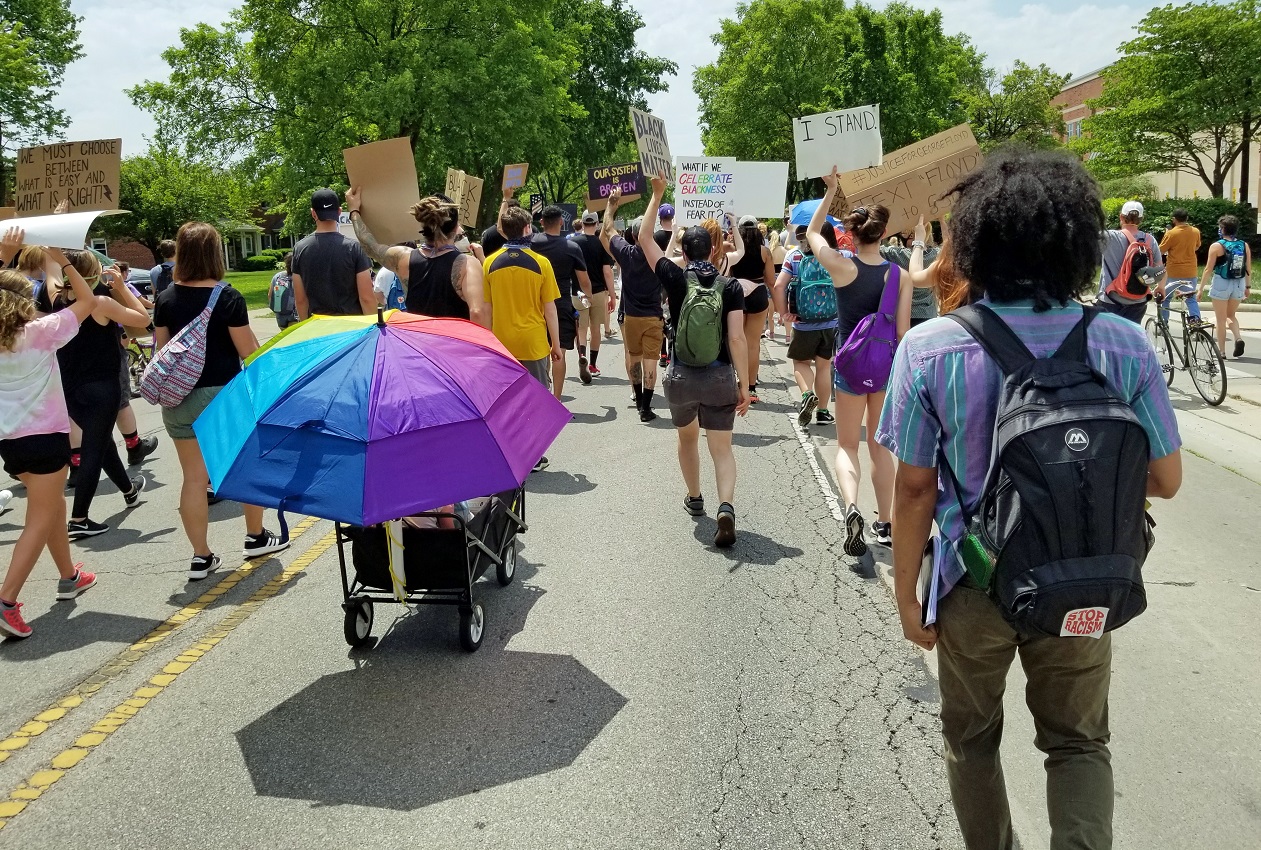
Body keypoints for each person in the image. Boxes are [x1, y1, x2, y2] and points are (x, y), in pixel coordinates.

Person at [876, 147, 1183, 850]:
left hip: (971, 583)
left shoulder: (929, 348)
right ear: (1077, 243)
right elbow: (1164, 480)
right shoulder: (1120, 342)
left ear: (974, 243)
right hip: (1084, 576)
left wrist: (907, 601)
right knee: (1077, 743)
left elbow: (914, 488)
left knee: (972, 739)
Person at [153, 223, 289, 580]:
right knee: (244, 467)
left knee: (194, 479)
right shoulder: (227, 297)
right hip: (224, 396)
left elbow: (161, 351)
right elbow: (249, 353)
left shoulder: (165, 298)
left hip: (179, 398)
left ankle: (201, 557)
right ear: (215, 253)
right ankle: (256, 536)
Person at [0, 231, 105, 639]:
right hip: (45, 437)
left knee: (52, 508)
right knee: (40, 518)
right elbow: (89, 301)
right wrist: (61, 258)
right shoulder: (41, 332)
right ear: (25, 302)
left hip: (10, 441)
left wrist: (6, 257)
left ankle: (69, 575)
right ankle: (6, 599)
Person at [638, 172, 750, 548]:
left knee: (687, 440)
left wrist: (657, 196)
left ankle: (695, 498)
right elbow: (736, 337)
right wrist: (745, 386)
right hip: (720, 376)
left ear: (684, 252)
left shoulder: (673, 276)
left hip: (682, 375)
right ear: (715, 252)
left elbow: (642, 239)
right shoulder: (730, 286)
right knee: (722, 448)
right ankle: (726, 506)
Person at [807, 169, 913, 556]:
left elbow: (812, 235)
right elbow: (902, 333)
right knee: (879, 448)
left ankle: (851, 506)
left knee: (847, 445)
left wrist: (831, 191)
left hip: (849, 366)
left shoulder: (841, 266)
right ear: (883, 234)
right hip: (883, 368)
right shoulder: (899, 275)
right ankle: (884, 523)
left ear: (852, 234)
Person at [41, 250, 151, 539]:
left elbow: (52, 272)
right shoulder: (100, 303)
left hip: (69, 387)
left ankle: (129, 490)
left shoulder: (58, 301)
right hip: (101, 387)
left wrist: (54, 250)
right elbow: (142, 320)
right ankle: (79, 518)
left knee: (102, 444)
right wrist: (121, 287)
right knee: (94, 448)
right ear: (92, 275)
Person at [482, 205, 562, 469]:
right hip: (534, 342)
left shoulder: (489, 263)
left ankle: (510, 450)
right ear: (528, 228)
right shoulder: (541, 264)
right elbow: (549, 309)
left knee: (506, 401)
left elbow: (487, 308)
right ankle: (534, 454)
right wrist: (556, 345)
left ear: (503, 231)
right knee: (537, 399)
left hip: (501, 344)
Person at [345, 189, 487, 326]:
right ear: (456, 227)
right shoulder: (467, 264)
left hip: (418, 345)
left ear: (422, 225)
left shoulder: (403, 258)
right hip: (452, 346)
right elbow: (477, 312)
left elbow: (370, 246)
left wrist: (354, 211)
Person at [601, 188, 664, 422]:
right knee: (650, 363)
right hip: (653, 317)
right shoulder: (659, 257)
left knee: (634, 359)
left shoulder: (626, 253)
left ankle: (638, 401)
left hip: (631, 317)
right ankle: (646, 408)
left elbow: (607, 229)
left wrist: (611, 205)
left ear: (634, 235)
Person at [773, 223, 838, 429]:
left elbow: (779, 285)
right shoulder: (838, 256)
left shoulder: (794, 257)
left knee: (801, 363)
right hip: (831, 321)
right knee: (824, 366)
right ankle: (823, 412)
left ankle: (807, 394)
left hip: (803, 322)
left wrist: (784, 313)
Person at [531, 206, 592, 394]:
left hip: (535, 302)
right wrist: (588, 297)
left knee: (539, 352)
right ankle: (556, 398)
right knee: (559, 353)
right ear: (561, 222)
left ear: (541, 222)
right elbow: (584, 281)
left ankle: (542, 393)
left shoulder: (531, 243)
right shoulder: (572, 247)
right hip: (561, 303)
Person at [291, 188, 374, 319]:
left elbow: (300, 300)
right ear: (339, 212)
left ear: (313, 213)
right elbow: (366, 298)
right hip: (351, 327)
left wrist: (304, 327)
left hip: (318, 326)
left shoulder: (300, 248)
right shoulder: (354, 248)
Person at [729, 216, 774, 402]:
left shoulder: (732, 249)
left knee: (734, 339)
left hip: (735, 293)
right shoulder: (765, 251)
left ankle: (735, 382)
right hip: (757, 294)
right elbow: (771, 280)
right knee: (753, 344)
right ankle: (752, 387)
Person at [1096, 200, 1165, 324]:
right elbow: (1160, 269)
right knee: (1130, 339)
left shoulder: (1108, 237)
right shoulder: (1150, 240)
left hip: (1111, 299)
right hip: (1138, 302)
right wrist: (1161, 288)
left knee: (1107, 340)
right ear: (1141, 219)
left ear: (1121, 216)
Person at [1198, 215, 1251, 358]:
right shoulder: (1243, 245)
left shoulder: (1216, 246)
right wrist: (1248, 286)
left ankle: (1221, 352)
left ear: (1222, 229)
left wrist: (1201, 288)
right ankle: (1238, 338)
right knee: (1231, 314)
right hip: (1238, 283)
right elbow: (1247, 268)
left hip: (1222, 282)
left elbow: (1208, 269)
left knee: (1220, 319)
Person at [571, 211, 617, 375]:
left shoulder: (573, 243)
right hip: (598, 292)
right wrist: (612, 295)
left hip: (578, 292)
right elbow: (607, 272)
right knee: (595, 328)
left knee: (582, 329)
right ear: (597, 224)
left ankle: (581, 355)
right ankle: (592, 364)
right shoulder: (602, 244)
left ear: (582, 223)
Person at [882, 227, 941, 327]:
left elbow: (877, 248)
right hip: (928, 313)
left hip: (903, 313)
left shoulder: (898, 255)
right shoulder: (936, 255)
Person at [1156, 208, 1203, 327]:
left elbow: (1160, 250)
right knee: (1191, 299)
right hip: (1190, 271)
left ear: (1174, 219)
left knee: (1165, 299)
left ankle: (1164, 323)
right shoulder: (1195, 231)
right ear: (1186, 218)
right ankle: (1196, 324)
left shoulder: (1171, 233)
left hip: (1173, 272)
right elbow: (1197, 247)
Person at [268, 253, 300, 328]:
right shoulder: (299, 277)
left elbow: (270, 295)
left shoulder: (277, 276)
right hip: (296, 317)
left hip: (280, 316)